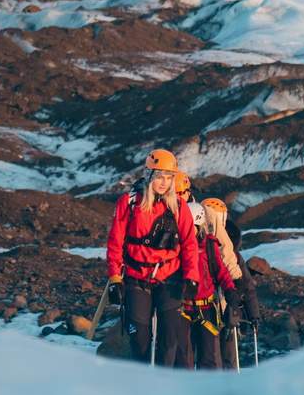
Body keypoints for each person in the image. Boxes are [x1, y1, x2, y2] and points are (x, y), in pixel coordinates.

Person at [105, 149, 200, 366]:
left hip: (170, 279)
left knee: (170, 340)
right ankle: (142, 385)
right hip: (136, 278)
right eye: (160, 177)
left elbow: (189, 244)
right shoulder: (129, 203)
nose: (164, 183)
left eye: (169, 178)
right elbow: (115, 243)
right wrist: (115, 279)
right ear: (149, 176)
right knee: (140, 339)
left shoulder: (179, 206)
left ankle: (164, 387)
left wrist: (191, 277)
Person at [178, 200, 240, 370]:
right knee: (184, 360)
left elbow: (221, 273)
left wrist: (231, 292)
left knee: (210, 359)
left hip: (207, 310)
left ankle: (210, 394)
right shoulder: (176, 248)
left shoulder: (210, 247)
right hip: (182, 310)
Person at [210, 199, 261, 370]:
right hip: (218, 309)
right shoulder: (208, 248)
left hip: (227, 310)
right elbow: (247, 286)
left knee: (226, 355)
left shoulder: (233, 255)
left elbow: (246, 286)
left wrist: (253, 314)